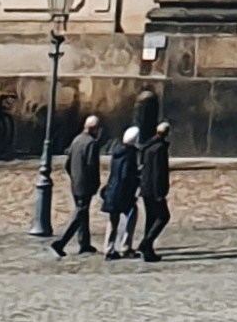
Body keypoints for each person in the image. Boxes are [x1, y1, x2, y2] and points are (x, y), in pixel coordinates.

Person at [52, 106, 103, 254]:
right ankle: (61, 242)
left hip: (75, 183)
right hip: (86, 184)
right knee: (80, 213)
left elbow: (67, 164)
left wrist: (74, 177)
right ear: (94, 129)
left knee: (83, 213)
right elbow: (92, 166)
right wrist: (95, 183)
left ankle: (84, 242)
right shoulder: (91, 144)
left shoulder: (76, 140)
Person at [99, 122, 141, 259]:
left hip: (112, 190)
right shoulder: (130, 155)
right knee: (131, 215)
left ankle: (108, 248)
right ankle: (125, 246)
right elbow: (126, 176)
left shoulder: (117, 153)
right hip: (123, 193)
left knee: (113, 220)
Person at [136, 115, 172, 266]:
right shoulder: (159, 149)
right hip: (154, 190)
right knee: (163, 216)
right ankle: (146, 243)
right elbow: (158, 172)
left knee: (151, 219)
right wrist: (160, 193)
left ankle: (148, 250)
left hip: (146, 188)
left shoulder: (148, 147)